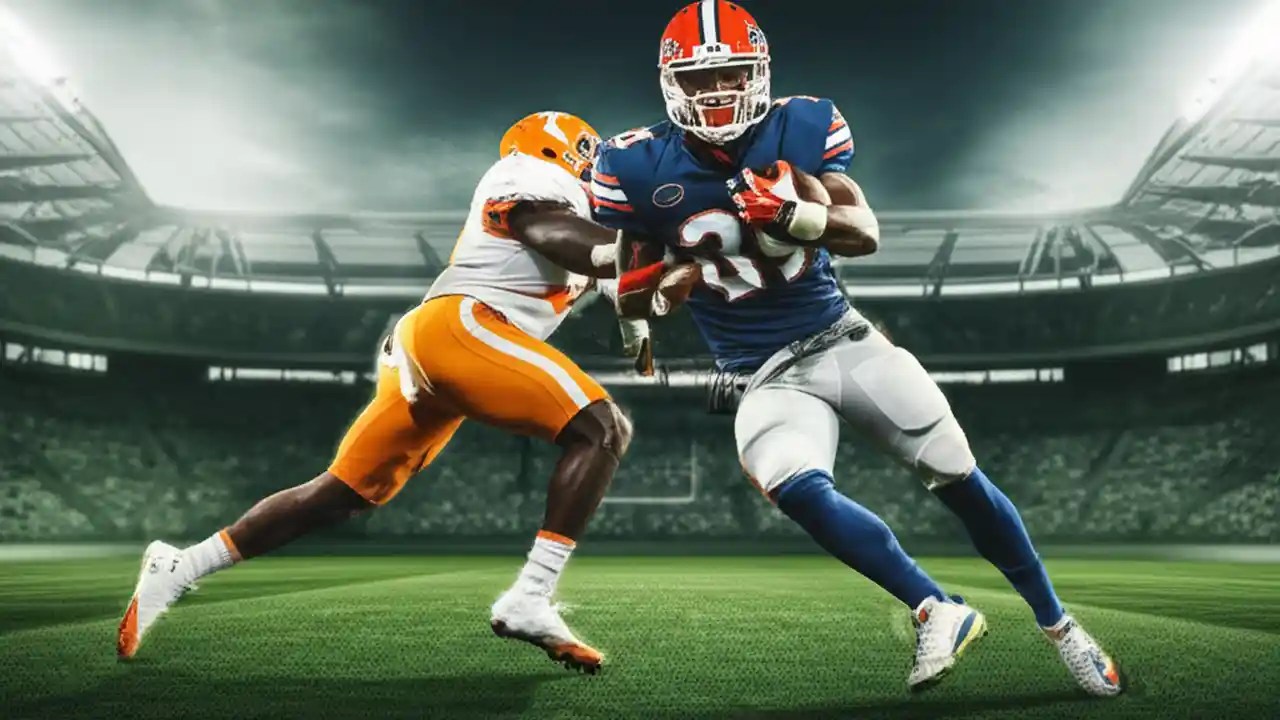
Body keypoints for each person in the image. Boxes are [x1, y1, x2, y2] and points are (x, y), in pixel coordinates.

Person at [591, 0, 1122, 695]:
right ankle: (937, 608)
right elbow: (633, 290)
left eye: (731, 74)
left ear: (759, 73)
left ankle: (1061, 628)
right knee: (790, 481)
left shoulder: (801, 125)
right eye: (701, 79)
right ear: (671, 85)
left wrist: (794, 216)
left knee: (957, 476)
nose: (717, 92)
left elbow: (862, 229)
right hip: (764, 376)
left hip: (844, 342)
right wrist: (657, 298)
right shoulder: (634, 163)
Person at [117, 111, 639, 674]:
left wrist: (645, 311)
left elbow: (628, 285)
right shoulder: (529, 175)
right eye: (587, 154)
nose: (595, 169)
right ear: (559, 151)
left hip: (434, 347)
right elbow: (556, 234)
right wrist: (655, 251)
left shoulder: (585, 218)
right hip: (462, 325)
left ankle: (182, 566)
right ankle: (530, 596)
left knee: (338, 494)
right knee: (602, 427)